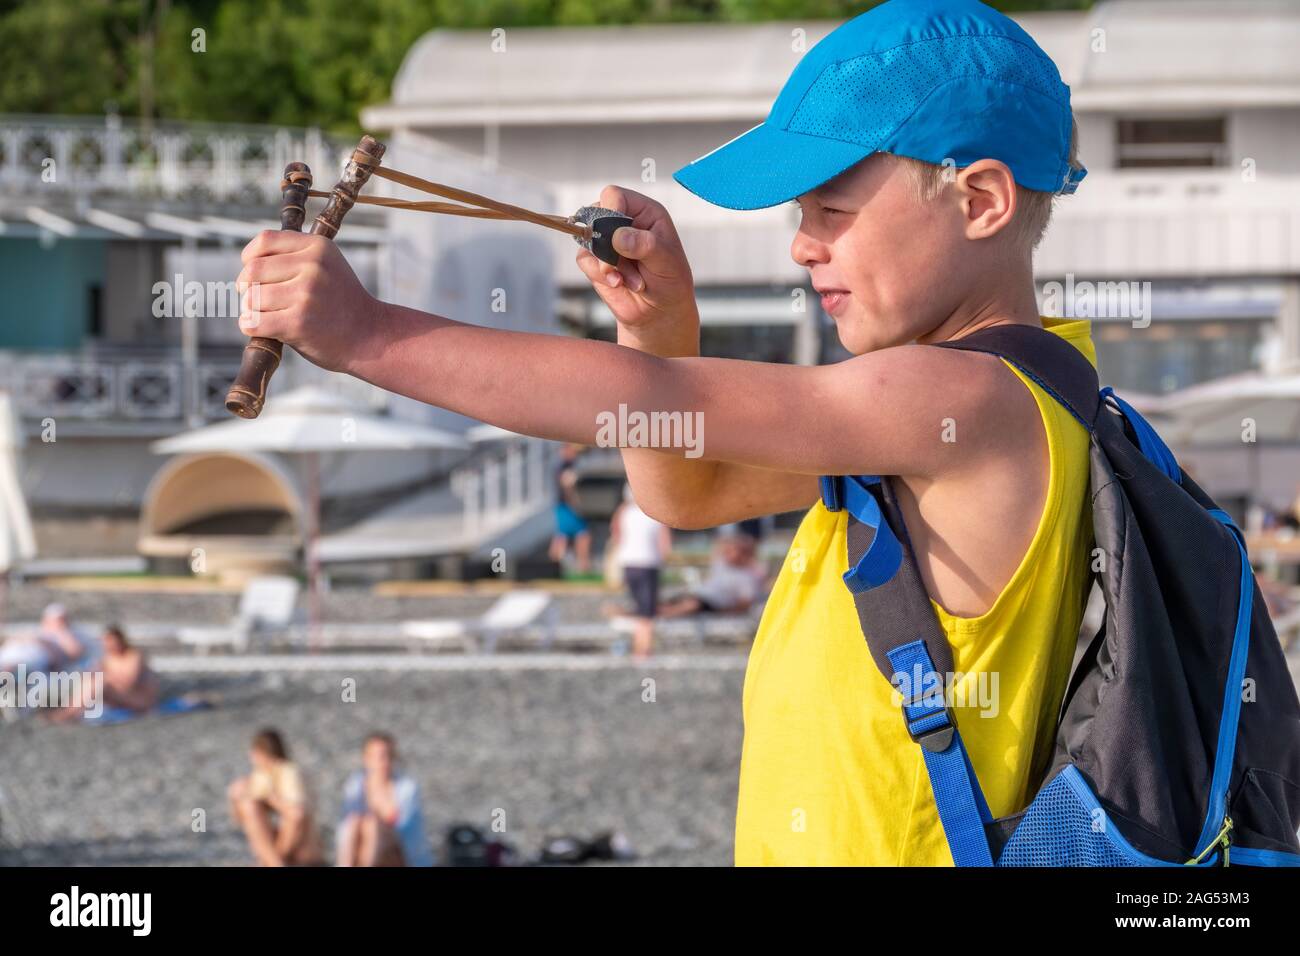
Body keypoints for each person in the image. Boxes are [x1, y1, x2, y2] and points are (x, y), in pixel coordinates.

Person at [234, 0, 1096, 865]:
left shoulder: (969, 401)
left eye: (831, 211)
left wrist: (368, 335)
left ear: (980, 198)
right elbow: (687, 491)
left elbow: (639, 400)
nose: (802, 247)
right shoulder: (982, 409)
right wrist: (660, 329)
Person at [227, 729, 324, 866]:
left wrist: (271, 798)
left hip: (303, 852)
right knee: (250, 806)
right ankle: (275, 862)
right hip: (286, 851)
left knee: (292, 814)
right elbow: (239, 820)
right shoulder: (261, 775)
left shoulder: (289, 772)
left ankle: (274, 862)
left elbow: (297, 813)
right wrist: (234, 799)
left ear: (259, 752)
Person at [336, 732, 433, 867]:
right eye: (375, 756)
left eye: (387, 755)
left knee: (372, 826)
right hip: (365, 844)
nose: (382, 761)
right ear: (366, 758)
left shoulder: (406, 787)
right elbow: (346, 823)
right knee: (355, 823)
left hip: (400, 851)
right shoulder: (356, 784)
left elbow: (404, 827)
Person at [608, 482, 672, 657]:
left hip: (628, 562)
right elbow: (665, 543)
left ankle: (639, 646)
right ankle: (643, 650)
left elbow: (616, 535)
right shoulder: (655, 514)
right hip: (648, 563)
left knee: (639, 607)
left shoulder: (624, 512)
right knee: (647, 611)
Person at [658, 532, 767, 619]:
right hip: (700, 595)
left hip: (715, 603)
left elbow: (745, 602)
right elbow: (719, 544)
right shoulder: (722, 564)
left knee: (692, 604)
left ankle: (663, 615)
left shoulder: (747, 577)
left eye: (732, 551)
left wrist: (727, 612)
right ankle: (658, 613)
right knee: (676, 600)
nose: (727, 553)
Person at [0, 603, 86, 676]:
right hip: (11, 652)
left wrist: (61, 633)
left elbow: (75, 653)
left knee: (13, 668)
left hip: (31, 659)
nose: (59, 622)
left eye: (61, 620)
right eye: (55, 619)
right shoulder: (36, 630)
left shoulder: (67, 636)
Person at [548, 443, 592, 574]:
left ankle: (554, 566)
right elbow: (567, 487)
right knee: (578, 536)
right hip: (567, 506)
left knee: (563, 536)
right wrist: (575, 505)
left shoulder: (564, 465)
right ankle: (582, 567)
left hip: (564, 505)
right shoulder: (564, 466)